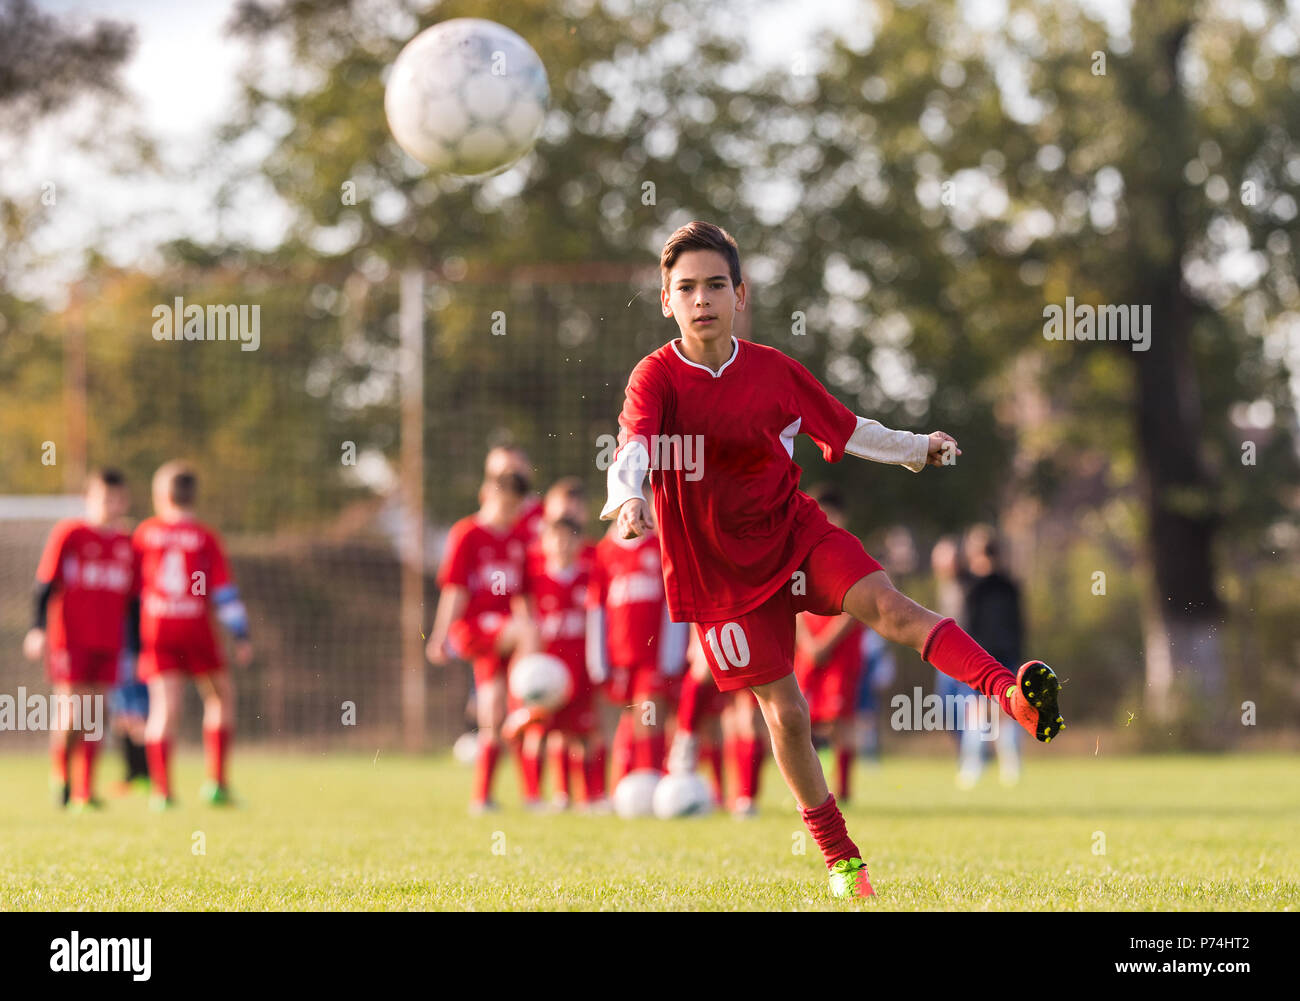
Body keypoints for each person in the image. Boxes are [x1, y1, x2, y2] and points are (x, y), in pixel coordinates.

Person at [602, 221, 1065, 897]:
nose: (702, 298)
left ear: (741, 294)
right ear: (666, 300)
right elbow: (633, 445)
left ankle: (1010, 696)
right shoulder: (658, 376)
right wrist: (628, 500)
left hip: (796, 536)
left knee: (892, 607)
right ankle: (842, 858)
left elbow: (844, 429)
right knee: (786, 713)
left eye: (716, 285)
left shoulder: (774, 371)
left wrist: (916, 446)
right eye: (687, 287)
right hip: (722, 576)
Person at [134, 462, 252, 809]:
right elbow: (224, 594)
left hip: (157, 630)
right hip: (197, 631)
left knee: (164, 709)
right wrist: (241, 635)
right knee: (220, 699)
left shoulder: (144, 534)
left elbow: (130, 590)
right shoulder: (204, 537)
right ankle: (216, 784)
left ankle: (163, 792)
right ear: (193, 496)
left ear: (160, 496)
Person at [24, 469, 135, 810]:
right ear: (89, 499)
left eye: (117, 499)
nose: (111, 505)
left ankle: (85, 791)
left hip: (108, 640)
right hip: (69, 640)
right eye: (104, 498)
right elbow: (45, 585)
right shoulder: (69, 533)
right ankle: (62, 778)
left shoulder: (126, 543)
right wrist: (37, 628)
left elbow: (133, 600)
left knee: (98, 711)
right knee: (74, 711)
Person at [426, 463, 530, 813]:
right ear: (488, 496)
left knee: (492, 712)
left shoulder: (519, 538)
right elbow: (454, 589)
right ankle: (527, 702)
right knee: (526, 631)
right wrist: (440, 635)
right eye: (505, 506)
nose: (509, 514)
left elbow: (524, 595)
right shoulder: (467, 534)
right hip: (475, 630)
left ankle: (482, 799)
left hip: (505, 639)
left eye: (516, 508)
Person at [511, 516, 607, 811]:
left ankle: (590, 796)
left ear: (579, 543)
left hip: (579, 669)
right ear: (545, 544)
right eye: (556, 538)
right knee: (540, 731)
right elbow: (525, 620)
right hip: (545, 673)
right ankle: (536, 796)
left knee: (583, 733)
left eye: (569, 538)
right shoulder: (537, 581)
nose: (562, 545)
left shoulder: (590, 577)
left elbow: (597, 621)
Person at [588, 501, 688, 783]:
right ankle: (618, 785)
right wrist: (597, 660)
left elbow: (673, 601)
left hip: (653, 656)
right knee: (626, 720)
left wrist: (672, 653)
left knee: (649, 714)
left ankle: (651, 778)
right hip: (618, 656)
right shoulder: (604, 551)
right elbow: (596, 607)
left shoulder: (660, 545)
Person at [794, 484, 865, 803]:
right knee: (799, 718)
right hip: (807, 651)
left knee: (839, 720)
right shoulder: (799, 551)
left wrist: (825, 642)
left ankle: (844, 790)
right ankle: (811, 791)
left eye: (829, 513)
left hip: (840, 652)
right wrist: (809, 644)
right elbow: (791, 601)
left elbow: (858, 606)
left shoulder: (850, 550)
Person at [956, 525, 1026, 788]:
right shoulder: (1008, 584)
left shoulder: (972, 586)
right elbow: (1019, 625)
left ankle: (976, 765)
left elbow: (966, 625)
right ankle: (1008, 766)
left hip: (978, 657)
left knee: (979, 713)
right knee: (1001, 711)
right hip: (1003, 655)